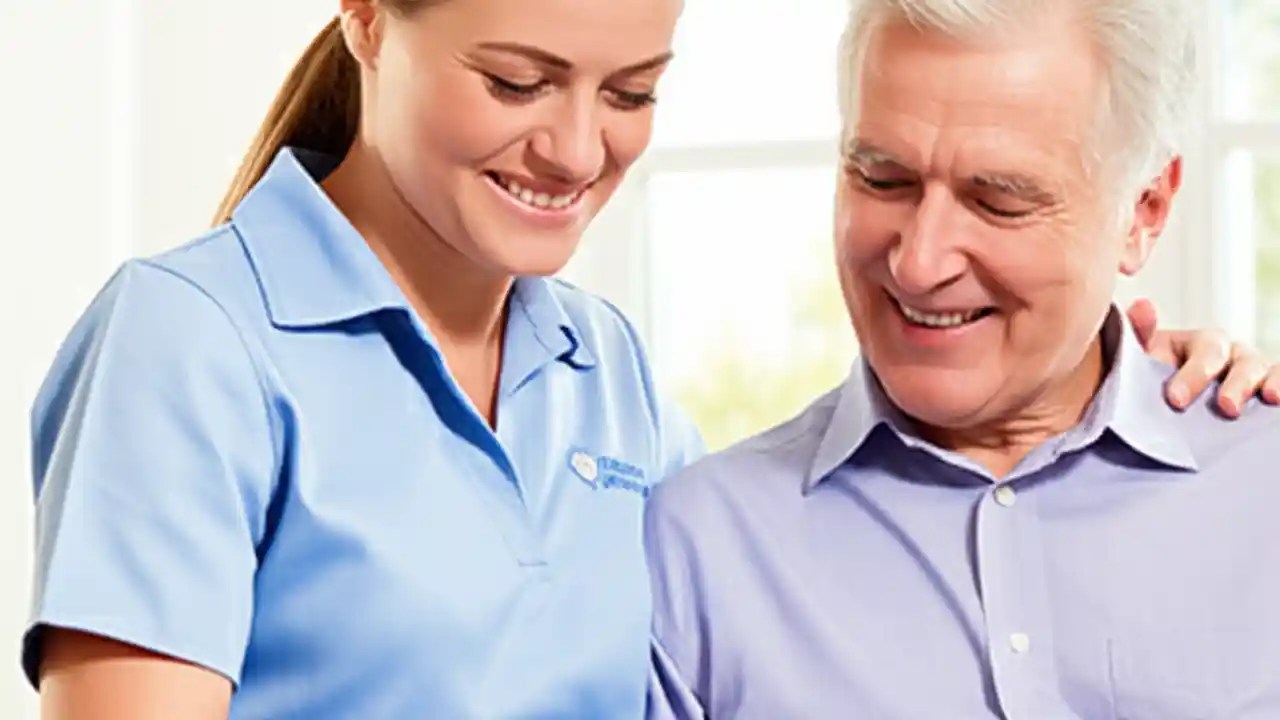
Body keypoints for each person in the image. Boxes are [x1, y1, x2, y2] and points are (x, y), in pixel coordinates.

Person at [22, 1, 1278, 718]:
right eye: (516, 81)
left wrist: (1148, 382)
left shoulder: (603, 376)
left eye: (629, 94)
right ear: (364, 17)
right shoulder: (189, 342)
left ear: (1142, 211)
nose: (576, 151)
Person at [644, 1, 1280, 718]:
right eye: (883, 180)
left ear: (1144, 211)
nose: (918, 264)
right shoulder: (700, 551)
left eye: (999, 201)